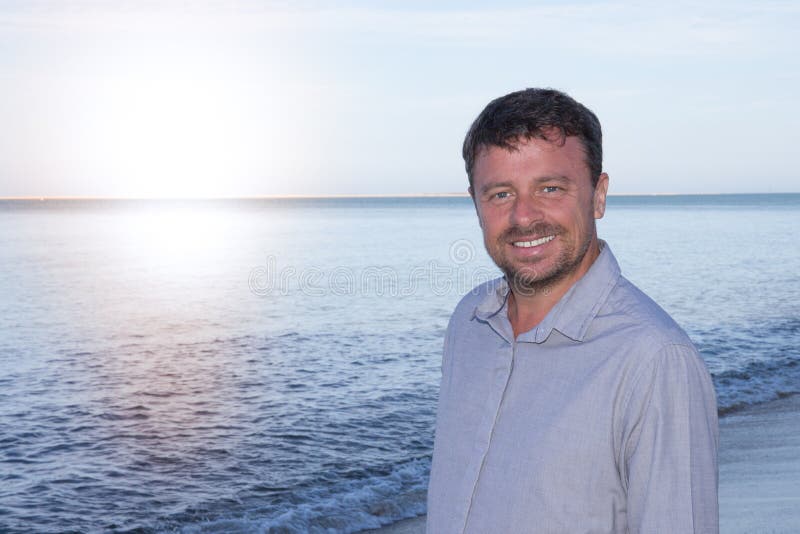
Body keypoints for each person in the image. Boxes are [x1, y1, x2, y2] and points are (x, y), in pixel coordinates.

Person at [426, 88, 719, 533]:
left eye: (550, 188)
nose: (524, 217)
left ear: (598, 195)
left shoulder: (654, 361)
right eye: (501, 194)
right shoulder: (469, 324)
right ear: (475, 203)